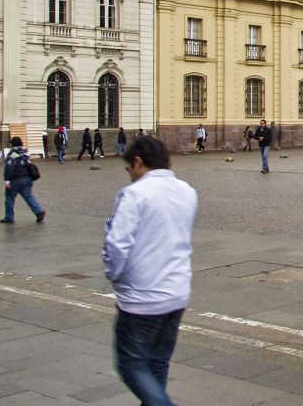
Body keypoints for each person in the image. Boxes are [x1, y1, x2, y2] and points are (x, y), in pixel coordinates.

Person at [103, 134, 198, 406]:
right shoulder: (187, 191)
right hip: (177, 293)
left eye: (129, 169)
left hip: (142, 299)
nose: (129, 175)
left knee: (131, 366)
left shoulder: (134, 194)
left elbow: (117, 246)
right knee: (157, 364)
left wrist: (114, 276)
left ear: (137, 162)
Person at [1, 137, 45, 224]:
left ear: (12, 144)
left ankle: (9, 217)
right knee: (28, 196)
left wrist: (7, 181)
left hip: (16, 180)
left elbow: (9, 167)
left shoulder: (12, 154)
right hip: (27, 179)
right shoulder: (25, 152)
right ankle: (38, 211)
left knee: (9, 197)